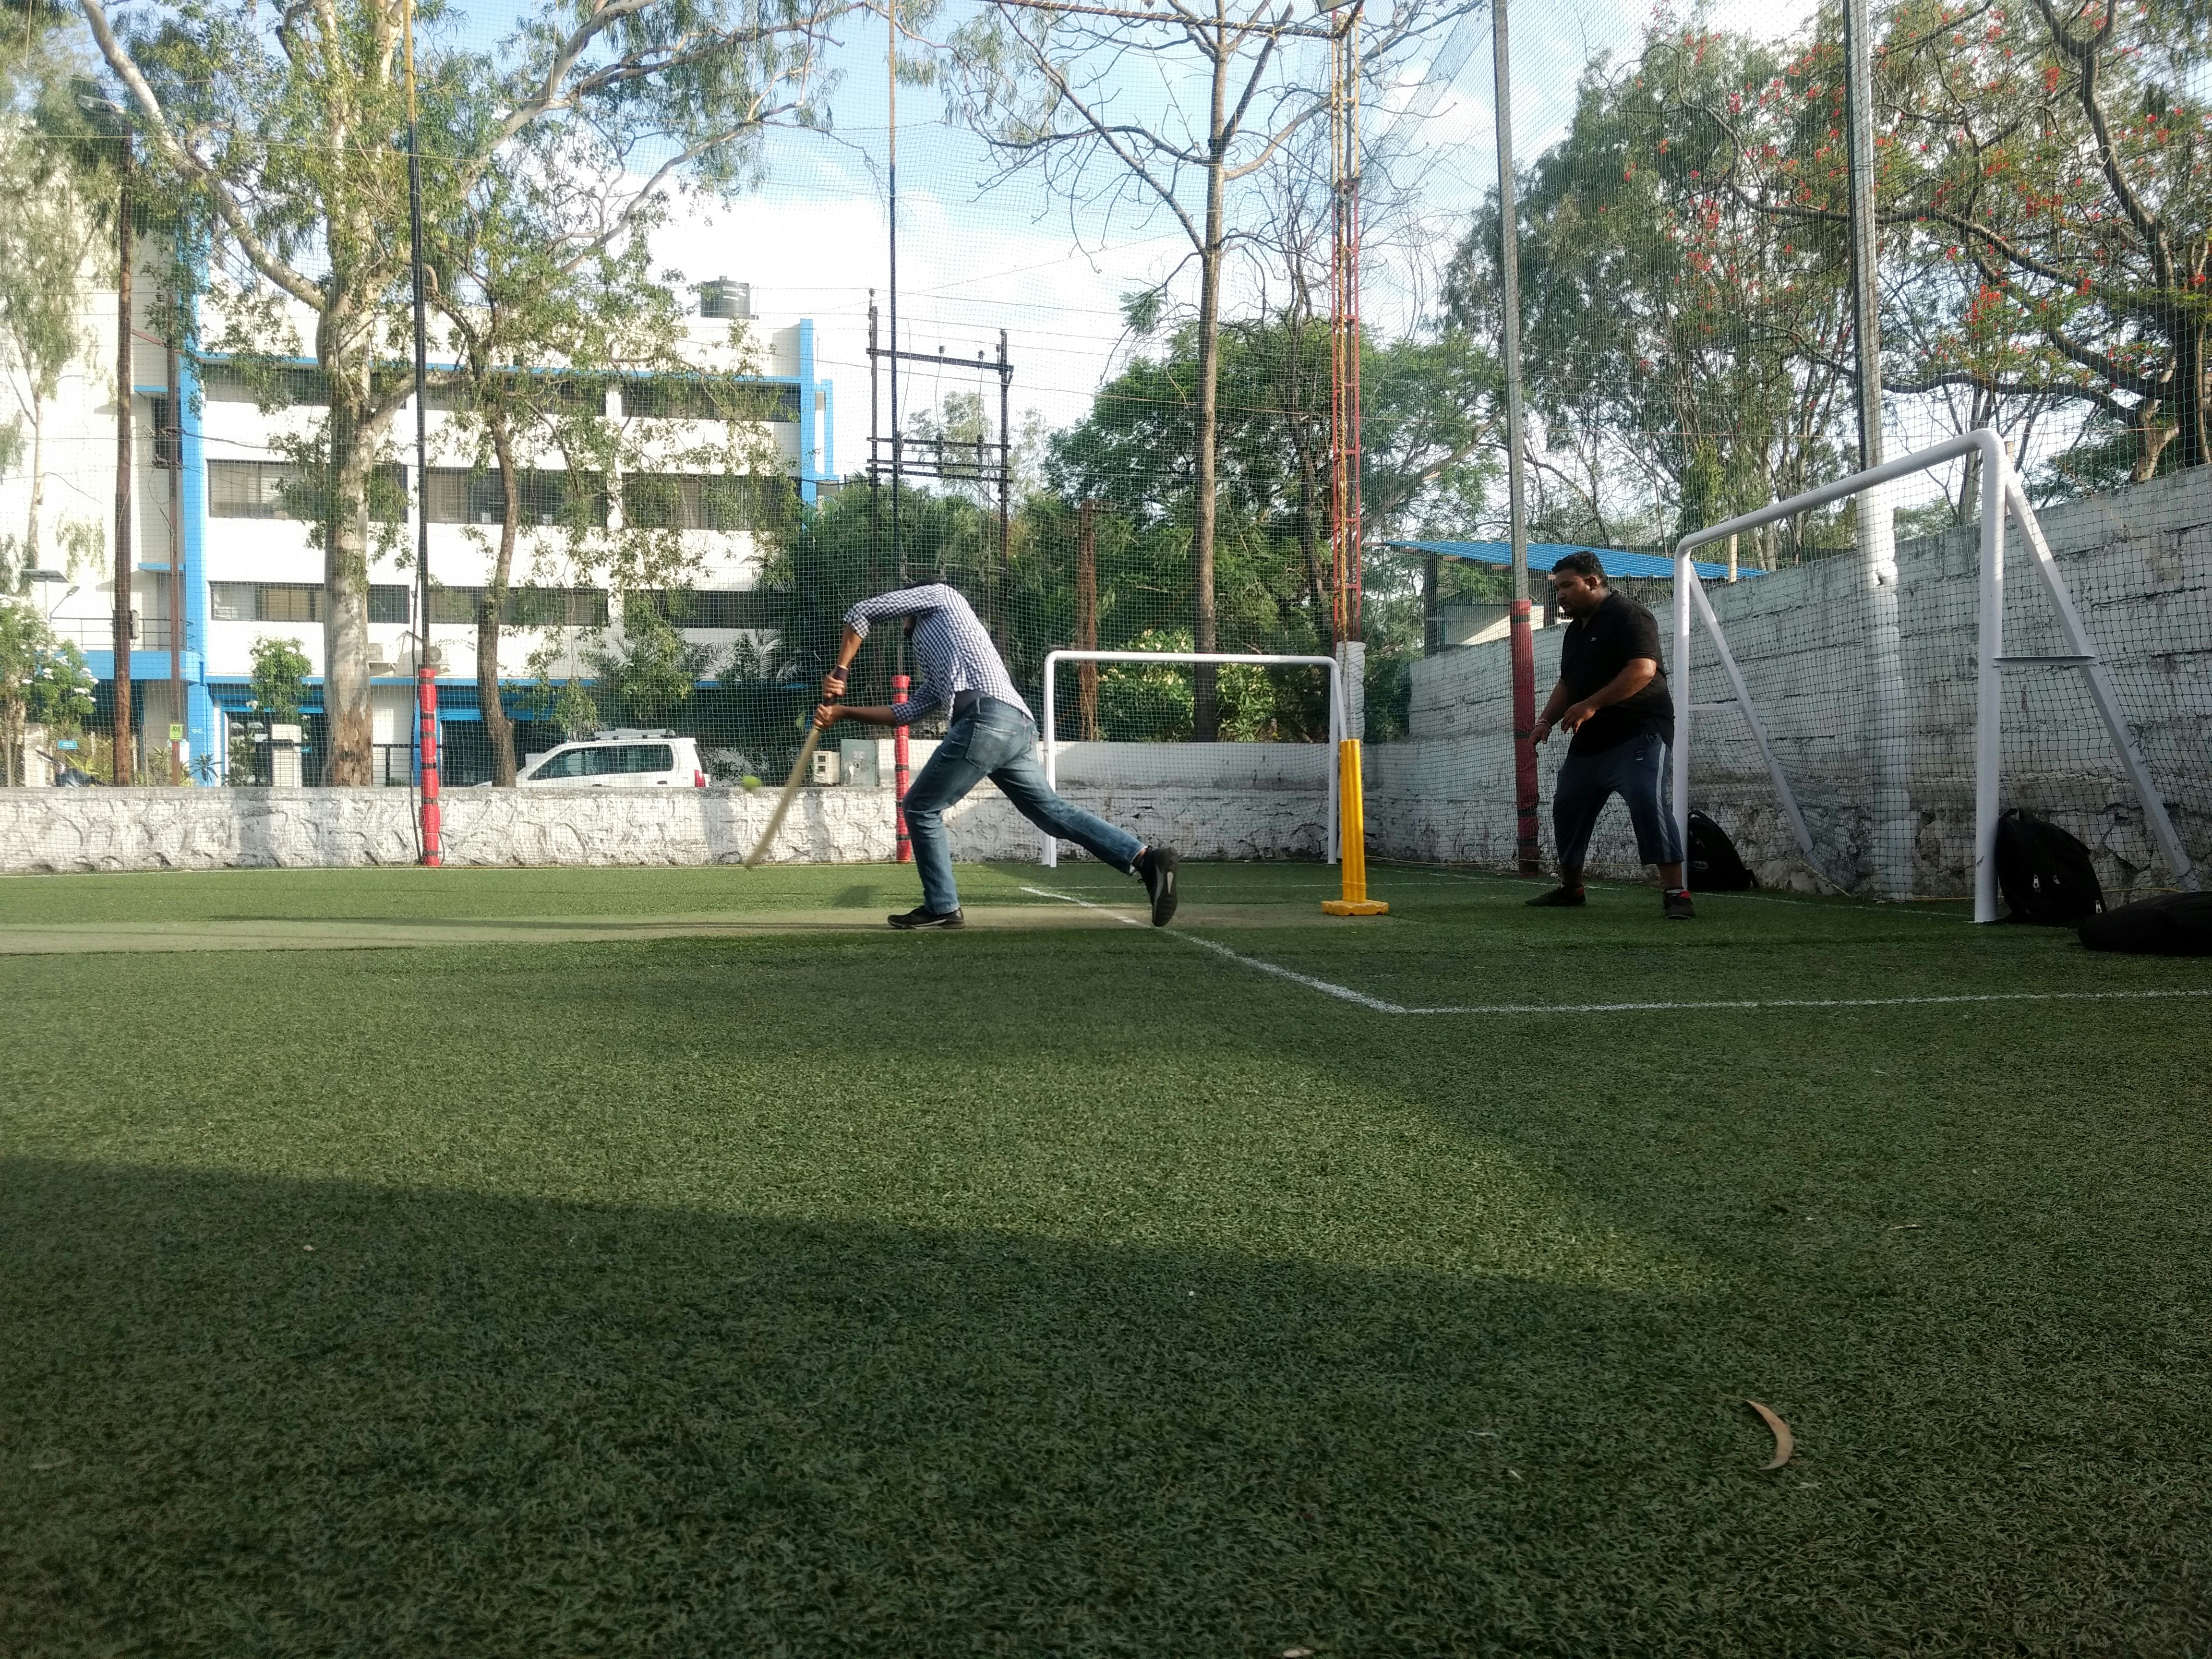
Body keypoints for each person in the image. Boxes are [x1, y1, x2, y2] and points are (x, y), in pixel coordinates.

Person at [812, 581, 1179, 930]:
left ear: (912, 605)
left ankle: (942, 907)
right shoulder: (944, 661)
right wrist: (843, 713)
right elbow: (905, 714)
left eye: (905, 616)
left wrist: (840, 671)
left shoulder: (941, 597)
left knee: (920, 807)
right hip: (1015, 726)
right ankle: (1146, 859)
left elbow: (863, 612)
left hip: (987, 721)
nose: (904, 626)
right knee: (1052, 813)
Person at [1526, 551, 1693, 919]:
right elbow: (1568, 683)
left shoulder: (1629, 615)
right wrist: (1545, 722)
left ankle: (1677, 894)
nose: (1561, 596)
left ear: (1594, 581)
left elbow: (1644, 669)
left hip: (1640, 731)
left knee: (1646, 800)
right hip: (1592, 739)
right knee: (1567, 806)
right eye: (1558, 589)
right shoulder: (1575, 632)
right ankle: (1572, 890)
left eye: (1568, 586)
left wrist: (1592, 705)